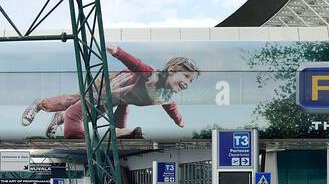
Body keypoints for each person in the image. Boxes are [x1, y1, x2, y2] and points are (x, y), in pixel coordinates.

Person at [21, 46, 200, 140]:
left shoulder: (166, 96)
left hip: (118, 99)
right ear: (171, 69)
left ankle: (58, 119)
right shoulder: (151, 75)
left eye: (191, 81)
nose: (187, 83)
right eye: (185, 76)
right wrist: (117, 51)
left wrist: (180, 121)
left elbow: (171, 108)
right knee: (74, 101)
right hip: (110, 87)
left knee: (91, 116)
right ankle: (40, 104)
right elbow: (135, 64)